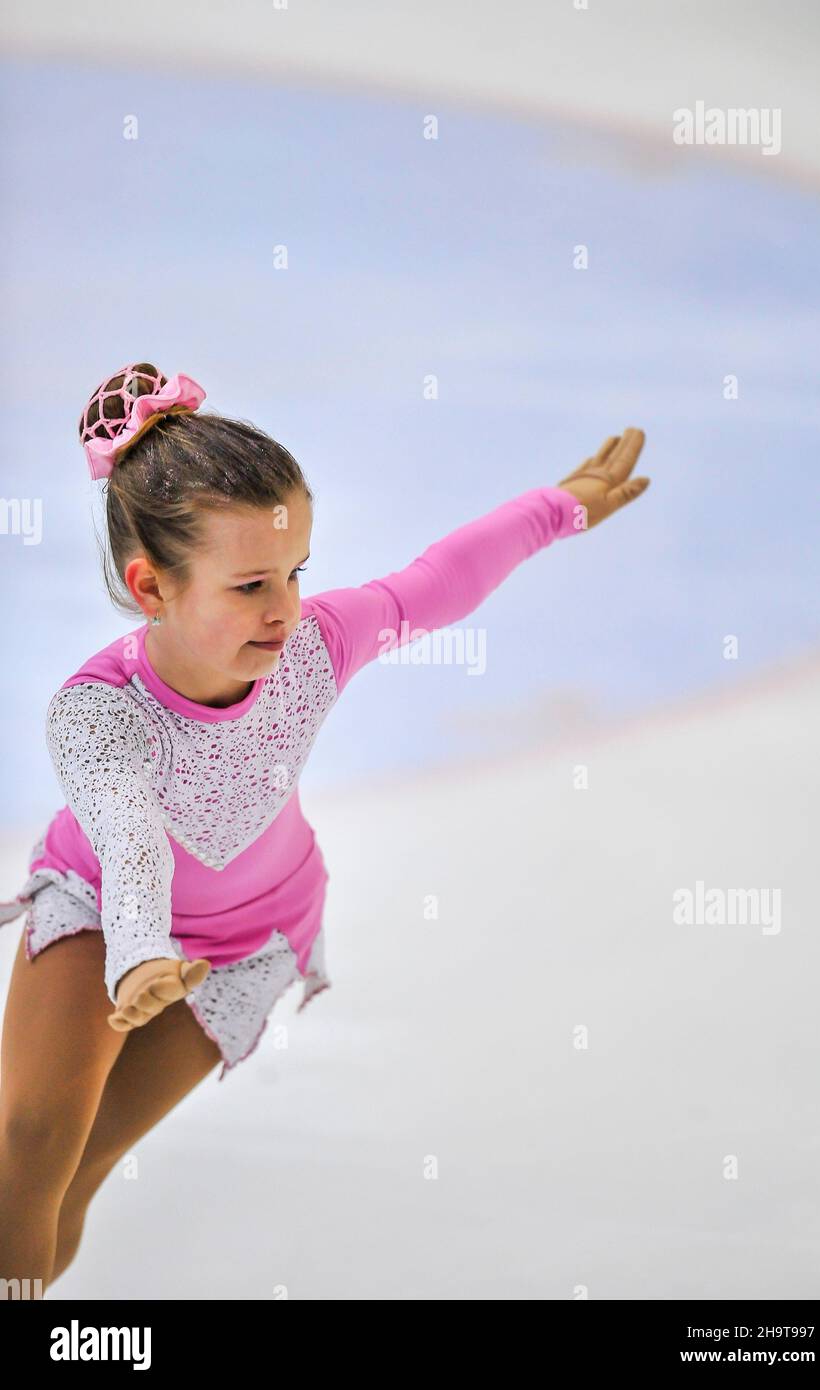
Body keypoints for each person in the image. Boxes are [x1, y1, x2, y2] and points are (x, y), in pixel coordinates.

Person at [0, 361, 650, 1292]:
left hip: (249, 936)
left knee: (82, 1169)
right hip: (105, 909)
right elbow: (130, 837)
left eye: (296, 571)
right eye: (251, 584)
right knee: (27, 1155)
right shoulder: (99, 711)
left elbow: (435, 584)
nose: (285, 607)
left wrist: (559, 506)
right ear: (151, 589)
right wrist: (138, 951)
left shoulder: (311, 647)